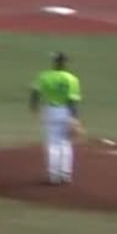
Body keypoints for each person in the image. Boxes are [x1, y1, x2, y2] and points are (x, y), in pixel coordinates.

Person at [28, 51, 82, 185]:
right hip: (66, 111)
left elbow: (35, 93)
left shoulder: (44, 76)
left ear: (54, 62)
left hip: (50, 111)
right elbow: (72, 101)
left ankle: (54, 176)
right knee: (66, 143)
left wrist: (34, 107)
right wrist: (75, 119)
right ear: (65, 63)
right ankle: (65, 174)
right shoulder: (72, 79)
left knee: (53, 144)